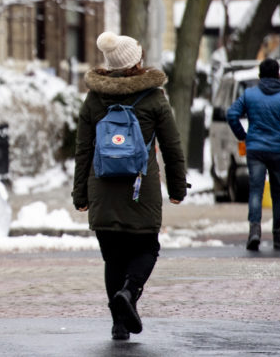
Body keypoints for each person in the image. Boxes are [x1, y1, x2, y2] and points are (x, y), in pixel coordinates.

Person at [72, 31, 188, 342]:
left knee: (114, 258)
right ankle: (130, 290)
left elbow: (83, 150)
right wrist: (177, 188)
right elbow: (172, 147)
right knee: (148, 248)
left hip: (102, 188)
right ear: (137, 61)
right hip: (141, 189)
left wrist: (80, 194)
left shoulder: (94, 99)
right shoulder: (154, 98)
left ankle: (119, 325)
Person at [226, 58, 280, 251]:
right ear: (278, 75)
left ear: (260, 75)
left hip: (255, 150)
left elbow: (232, 114)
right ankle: (278, 233)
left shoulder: (249, 94)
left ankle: (254, 231)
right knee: (278, 192)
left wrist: (243, 136)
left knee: (255, 190)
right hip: (278, 150)